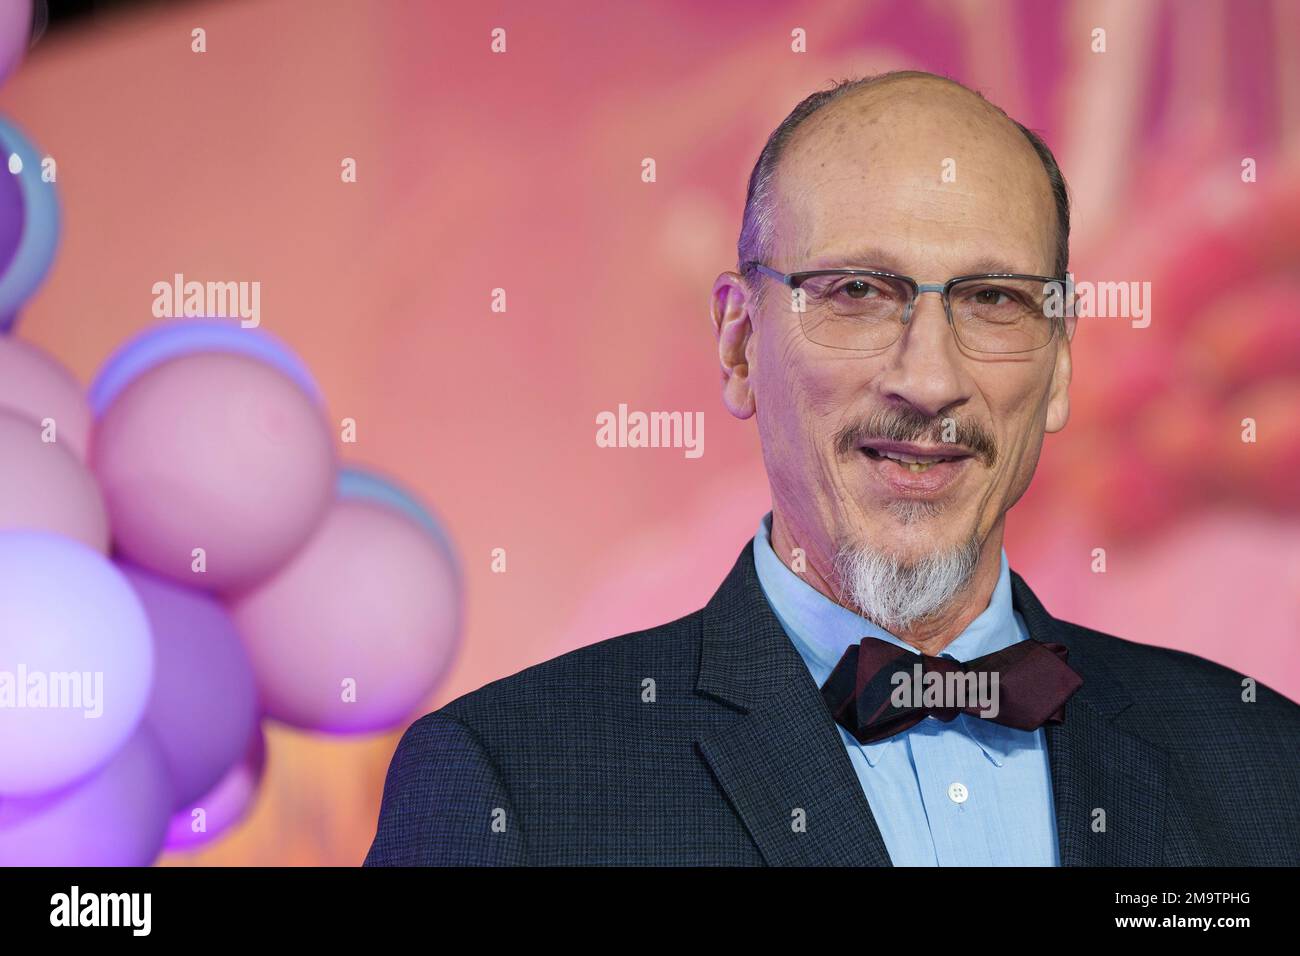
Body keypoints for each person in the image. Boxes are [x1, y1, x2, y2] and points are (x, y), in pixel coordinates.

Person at [364, 70, 1300, 866]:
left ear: (1058, 369)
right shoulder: (515, 787)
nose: (930, 379)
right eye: (856, 292)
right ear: (737, 344)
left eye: (993, 300)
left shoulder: (1263, 765)